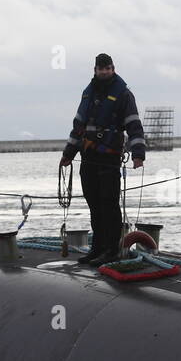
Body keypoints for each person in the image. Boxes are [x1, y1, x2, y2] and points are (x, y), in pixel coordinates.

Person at [59, 53, 146, 266]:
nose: (105, 72)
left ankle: (111, 250)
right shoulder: (88, 93)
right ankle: (97, 248)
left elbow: (134, 125)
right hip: (88, 156)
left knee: (109, 204)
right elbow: (78, 125)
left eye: (108, 68)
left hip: (109, 157)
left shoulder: (124, 94)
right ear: (95, 70)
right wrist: (68, 154)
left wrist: (138, 154)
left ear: (113, 68)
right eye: (101, 69)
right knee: (94, 204)